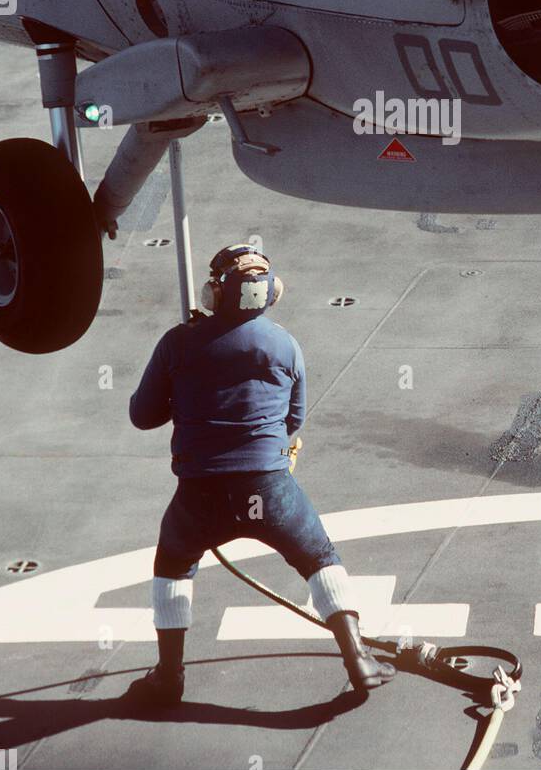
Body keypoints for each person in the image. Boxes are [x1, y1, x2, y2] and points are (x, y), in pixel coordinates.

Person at [125, 244, 395, 707]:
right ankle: (359, 660)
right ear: (270, 293)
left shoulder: (178, 342)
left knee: (172, 565)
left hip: (200, 495)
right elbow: (294, 418)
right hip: (269, 487)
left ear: (214, 292)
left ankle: (168, 676)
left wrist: (184, 389)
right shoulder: (285, 344)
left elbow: (142, 415)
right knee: (319, 558)